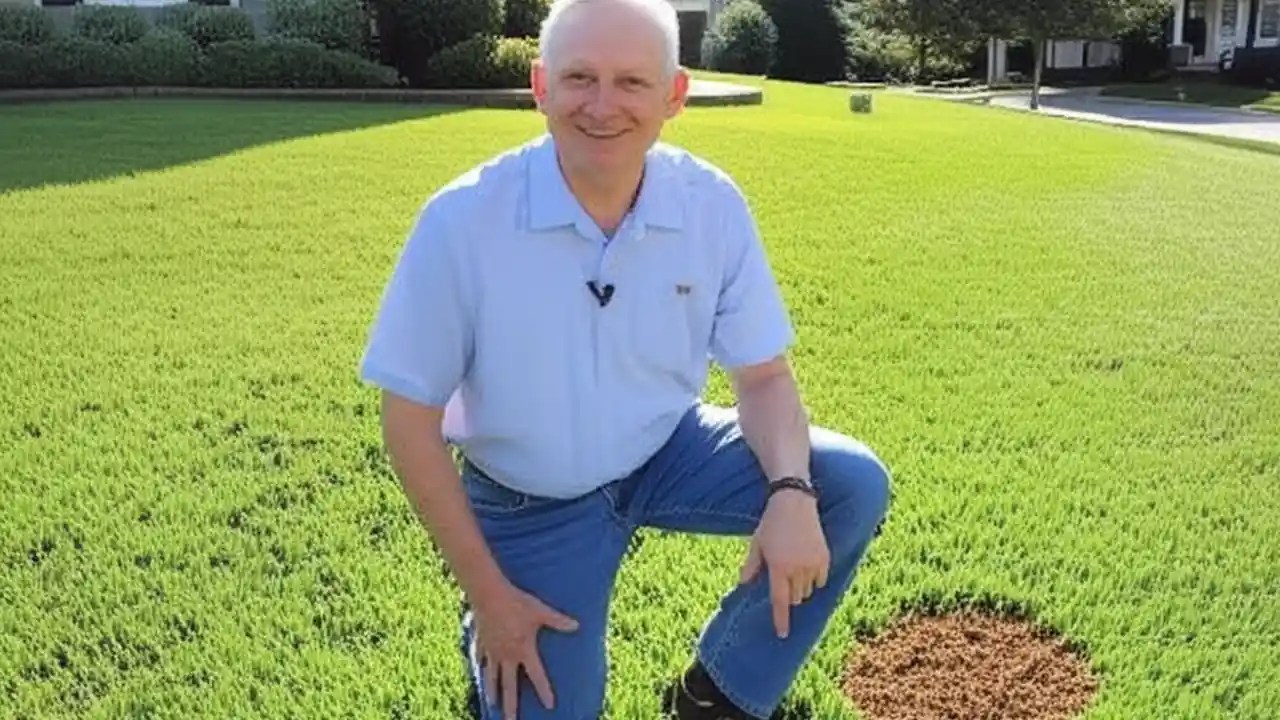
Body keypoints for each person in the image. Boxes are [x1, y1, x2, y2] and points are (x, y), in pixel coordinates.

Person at [357, 0, 892, 717]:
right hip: (531, 497)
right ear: (541, 86)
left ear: (675, 95)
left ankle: (719, 694)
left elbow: (764, 376)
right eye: (580, 78)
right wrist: (491, 599)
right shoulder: (462, 221)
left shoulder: (710, 205)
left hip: (665, 447)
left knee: (848, 484)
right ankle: (487, 627)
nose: (603, 106)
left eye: (632, 82)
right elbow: (408, 422)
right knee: (547, 699)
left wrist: (792, 493)